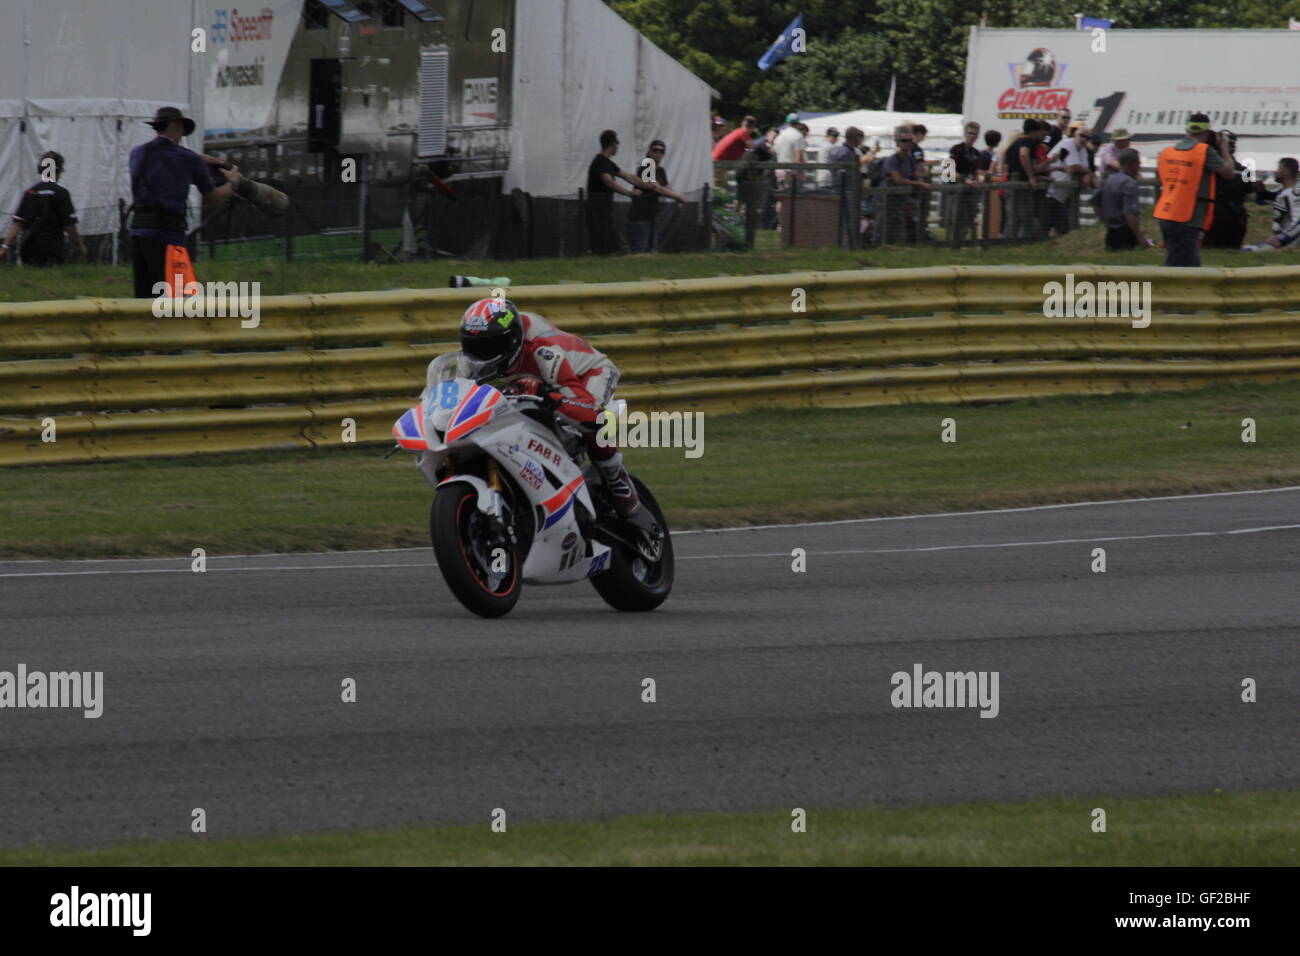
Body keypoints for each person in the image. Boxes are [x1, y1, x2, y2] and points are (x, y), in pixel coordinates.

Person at [456, 297, 641, 517]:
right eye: (474, 346)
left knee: (585, 422)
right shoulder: (471, 359)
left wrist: (547, 394)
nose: (482, 355)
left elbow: (586, 407)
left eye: (490, 346)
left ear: (513, 340)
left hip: (586, 374)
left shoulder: (543, 350)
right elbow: (461, 395)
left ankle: (614, 476)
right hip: (535, 380)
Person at [127, 106, 239, 297]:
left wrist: (202, 159)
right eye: (180, 128)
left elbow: (165, 157)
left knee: (144, 299)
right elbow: (212, 196)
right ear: (175, 126)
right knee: (179, 298)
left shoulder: (137, 153)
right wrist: (232, 183)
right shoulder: (187, 159)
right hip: (168, 234)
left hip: (138, 230)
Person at [1153, 113, 1237, 266]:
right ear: (1206, 133)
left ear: (1188, 130)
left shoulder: (1168, 152)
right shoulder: (1203, 151)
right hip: (1187, 217)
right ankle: (1164, 290)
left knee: (1188, 261)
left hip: (1165, 213)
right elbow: (1228, 172)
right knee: (1179, 266)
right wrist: (1224, 148)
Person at [0, 151, 87, 266]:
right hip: (52, 249)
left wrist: (4, 248)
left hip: (28, 248)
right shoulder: (61, 193)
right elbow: (70, 227)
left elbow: (17, 224)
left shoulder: (30, 192)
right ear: (58, 171)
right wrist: (80, 246)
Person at [587, 129, 656, 255]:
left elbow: (628, 176)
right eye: (617, 144)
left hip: (604, 209)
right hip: (597, 210)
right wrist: (629, 194)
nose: (618, 147)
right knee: (601, 242)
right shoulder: (600, 162)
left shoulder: (607, 163)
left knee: (608, 241)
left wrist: (648, 186)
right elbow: (609, 182)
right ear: (613, 144)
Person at [626, 140, 688, 253]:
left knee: (651, 252)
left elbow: (666, 187)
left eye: (661, 151)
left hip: (651, 216)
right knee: (639, 252)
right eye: (655, 150)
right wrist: (678, 196)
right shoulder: (646, 166)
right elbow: (657, 187)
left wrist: (678, 197)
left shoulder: (660, 170)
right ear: (649, 152)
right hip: (639, 217)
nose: (658, 153)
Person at [1204, 132, 1260, 248]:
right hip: (1237, 217)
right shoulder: (1245, 171)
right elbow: (1249, 194)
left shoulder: (1211, 168)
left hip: (1214, 217)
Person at [1097, 148, 1155, 251]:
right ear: (1132, 164)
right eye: (1138, 162)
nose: (1140, 165)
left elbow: (1095, 202)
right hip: (1125, 233)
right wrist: (1140, 238)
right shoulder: (1129, 183)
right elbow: (1129, 213)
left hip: (1110, 231)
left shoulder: (1109, 180)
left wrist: (1103, 219)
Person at [1046, 126, 1096, 236]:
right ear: (1075, 135)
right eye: (1082, 136)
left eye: (1087, 137)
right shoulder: (1068, 144)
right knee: (1064, 229)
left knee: (1055, 229)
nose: (1084, 139)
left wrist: (1087, 174)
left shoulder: (1082, 150)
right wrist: (1087, 171)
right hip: (1051, 193)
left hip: (1062, 196)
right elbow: (1074, 167)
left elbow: (1085, 170)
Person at [1242, 157, 1300, 252]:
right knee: (1245, 249)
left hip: (1288, 241)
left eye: (1279, 168)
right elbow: (1264, 200)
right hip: (1282, 239)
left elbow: (1298, 223)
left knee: (1247, 251)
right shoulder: (1283, 191)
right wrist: (1260, 188)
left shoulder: (1296, 193)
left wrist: (1283, 239)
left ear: (1286, 171)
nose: (1276, 172)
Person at [881, 131, 929, 243]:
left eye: (910, 141)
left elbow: (917, 174)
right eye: (904, 141)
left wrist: (920, 178)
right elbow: (898, 180)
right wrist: (919, 184)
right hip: (886, 200)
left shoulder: (911, 159)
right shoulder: (892, 160)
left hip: (902, 200)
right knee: (883, 227)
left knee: (901, 227)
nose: (908, 143)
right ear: (898, 143)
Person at [948, 121, 983, 241]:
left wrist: (978, 179)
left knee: (970, 217)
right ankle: (955, 242)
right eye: (970, 133)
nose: (972, 136)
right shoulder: (956, 149)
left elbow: (977, 171)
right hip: (958, 188)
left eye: (975, 133)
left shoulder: (976, 153)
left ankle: (962, 240)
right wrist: (964, 180)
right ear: (965, 134)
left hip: (971, 190)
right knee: (958, 217)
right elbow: (949, 170)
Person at [773, 121, 808, 190]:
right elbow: (799, 158)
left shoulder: (780, 135)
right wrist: (801, 173)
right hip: (792, 173)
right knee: (794, 197)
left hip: (779, 170)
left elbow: (775, 152)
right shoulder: (798, 137)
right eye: (805, 133)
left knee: (781, 196)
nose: (805, 135)